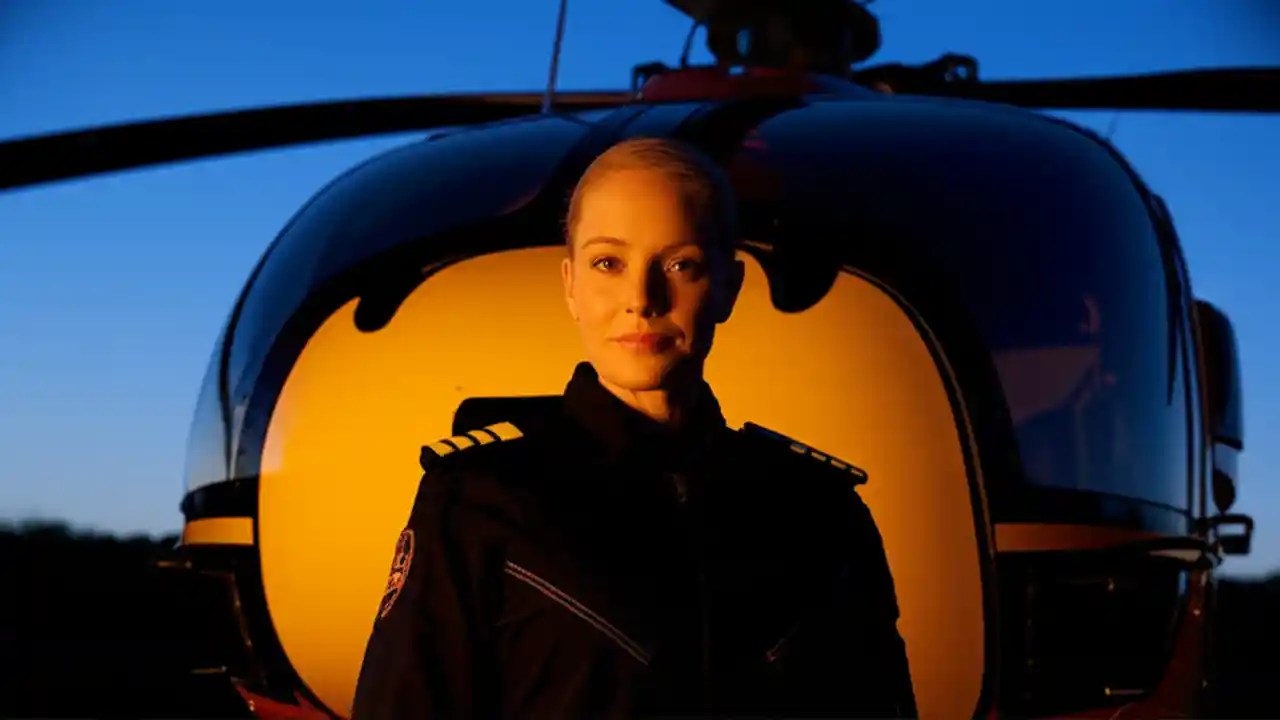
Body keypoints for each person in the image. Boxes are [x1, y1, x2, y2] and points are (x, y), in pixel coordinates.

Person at [351, 137, 916, 718]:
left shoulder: (821, 511)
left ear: (729, 287)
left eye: (680, 265)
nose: (641, 300)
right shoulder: (479, 500)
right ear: (570, 284)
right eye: (608, 263)